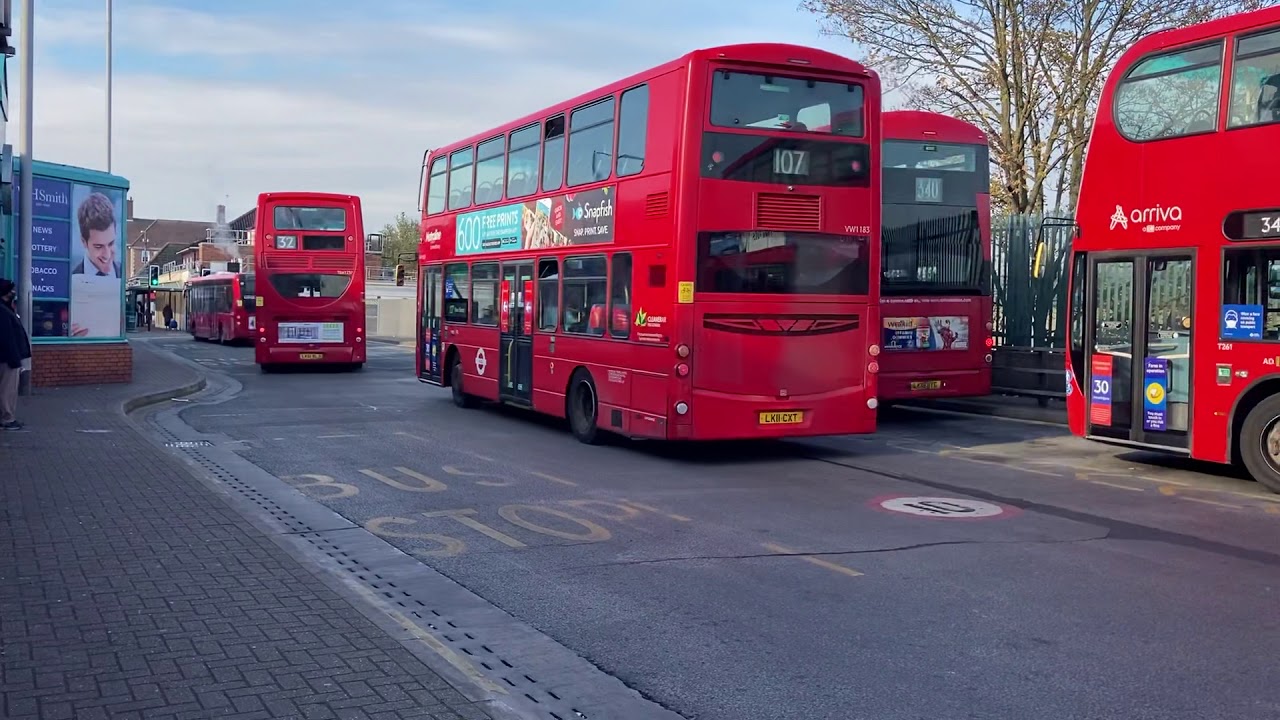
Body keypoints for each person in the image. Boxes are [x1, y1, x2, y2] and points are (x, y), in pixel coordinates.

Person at [0, 279, 32, 430]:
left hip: (6, 357)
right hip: (7, 359)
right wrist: (14, 359)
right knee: (8, 390)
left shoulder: (6, 308)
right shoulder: (3, 311)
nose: (13, 293)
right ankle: (7, 419)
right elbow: (6, 337)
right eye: (11, 291)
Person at [70, 192, 121, 277]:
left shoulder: (123, 274)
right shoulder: (72, 279)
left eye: (111, 243)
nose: (107, 255)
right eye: (98, 247)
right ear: (84, 242)